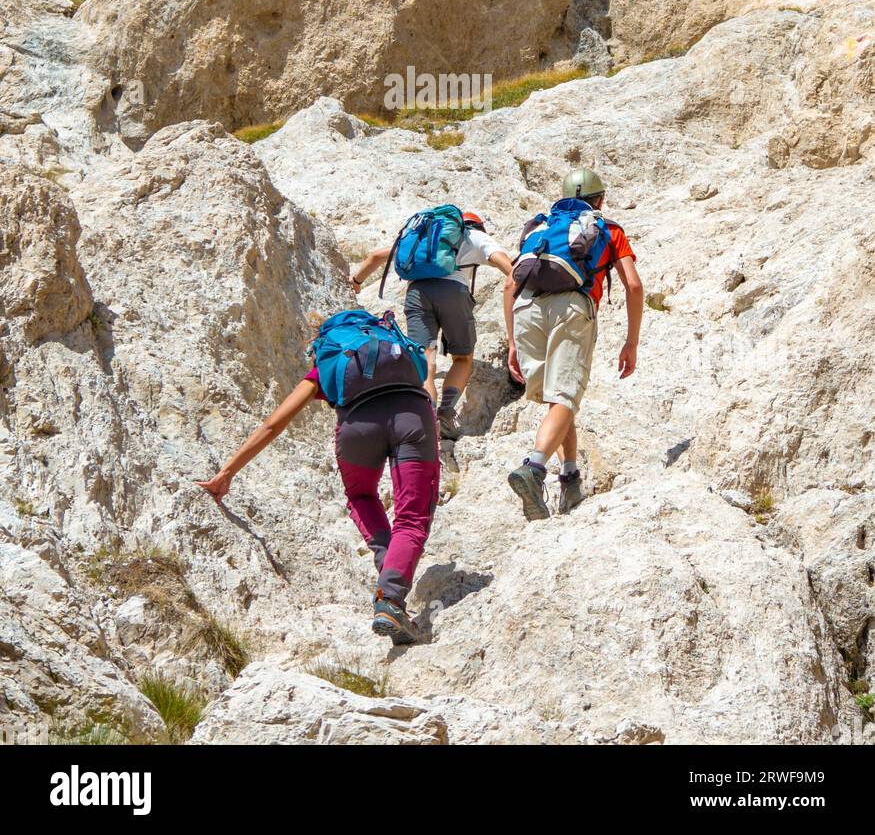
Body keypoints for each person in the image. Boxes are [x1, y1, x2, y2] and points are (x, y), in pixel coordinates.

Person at [197, 310, 438, 646]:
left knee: (362, 497)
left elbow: (273, 424)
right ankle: (391, 598)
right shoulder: (393, 346)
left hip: (357, 429)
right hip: (413, 417)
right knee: (411, 517)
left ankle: (389, 583)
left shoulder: (329, 365)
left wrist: (226, 473)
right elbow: (427, 385)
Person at [503, 167, 643, 520]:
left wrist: (512, 343)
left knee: (557, 399)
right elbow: (634, 285)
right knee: (565, 395)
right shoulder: (608, 230)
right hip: (571, 306)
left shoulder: (541, 226)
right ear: (600, 199)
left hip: (526, 307)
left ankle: (570, 478)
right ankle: (534, 468)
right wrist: (632, 342)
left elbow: (509, 284)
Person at [351, 211, 513, 440]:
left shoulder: (427, 240)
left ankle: (426, 414)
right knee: (462, 359)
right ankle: (445, 412)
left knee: (424, 358)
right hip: (453, 294)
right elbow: (501, 261)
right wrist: (519, 282)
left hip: (417, 292)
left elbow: (377, 256)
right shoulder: (474, 235)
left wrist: (355, 282)